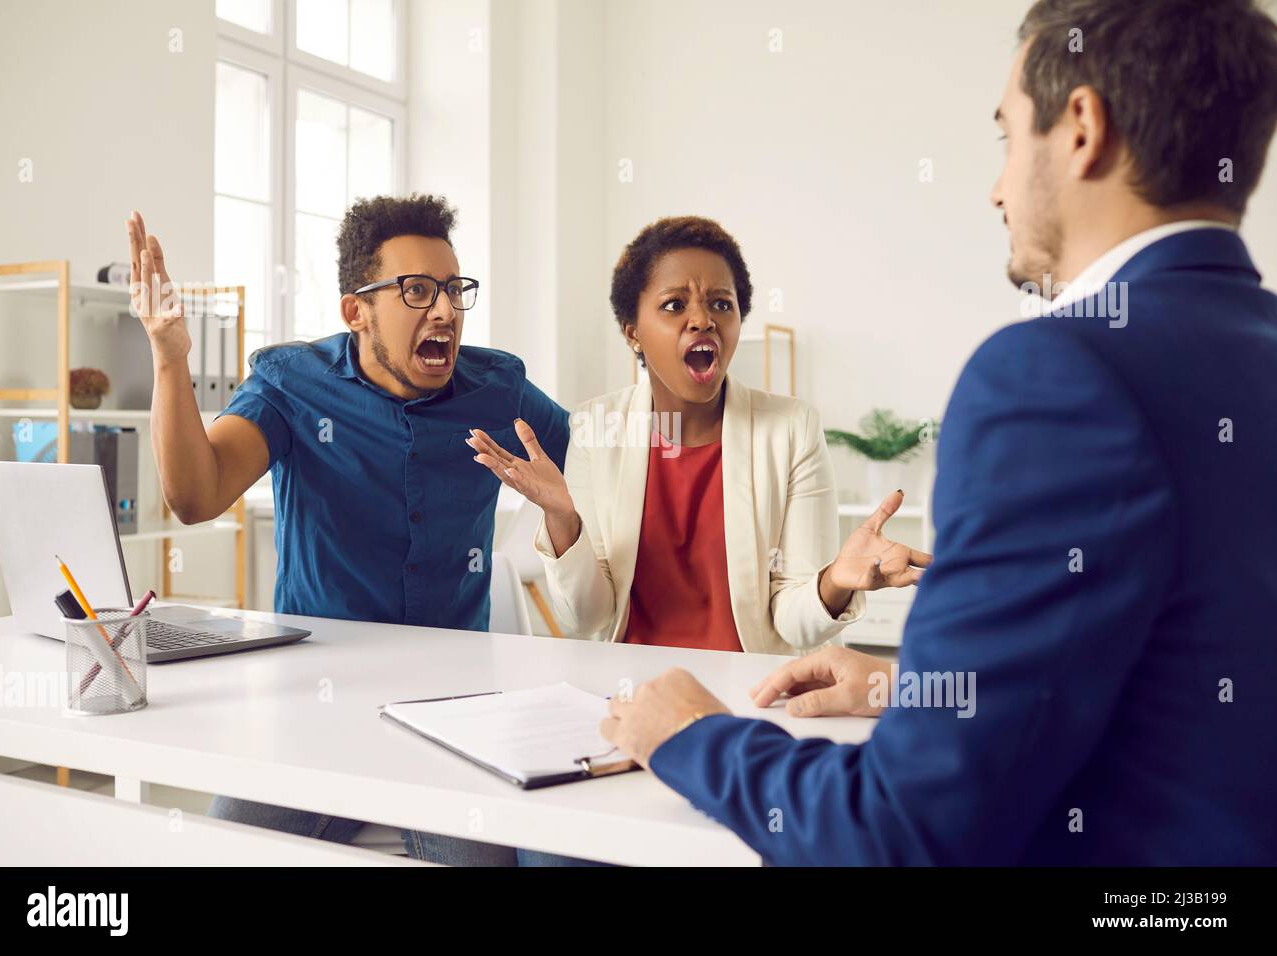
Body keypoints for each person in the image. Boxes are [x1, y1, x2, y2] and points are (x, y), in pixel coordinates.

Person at [599, 0, 1277, 865]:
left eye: (1007, 138)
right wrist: (906, 689)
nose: (998, 186)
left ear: (1080, 128)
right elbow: (1185, 696)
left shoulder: (1055, 378)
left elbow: (899, 835)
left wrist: (692, 738)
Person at [126, 194, 570, 865]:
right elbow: (196, 495)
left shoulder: (497, 389)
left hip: (452, 711)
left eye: (454, 290)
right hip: (313, 704)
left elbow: (604, 470)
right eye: (417, 291)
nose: (445, 311)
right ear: (356, 311)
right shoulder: (292, 384)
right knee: (218, 854)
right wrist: (168, 356)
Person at [468, 216, 927, 654]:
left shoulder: (791, 429)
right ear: (633, 332)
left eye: (721, 304)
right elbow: (586, 619)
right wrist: (563, 520)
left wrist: (834, 583)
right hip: (629, 689)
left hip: (750, 691)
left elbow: (791, 623)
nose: (702, 319)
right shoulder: (596, 428)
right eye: (674, 305)